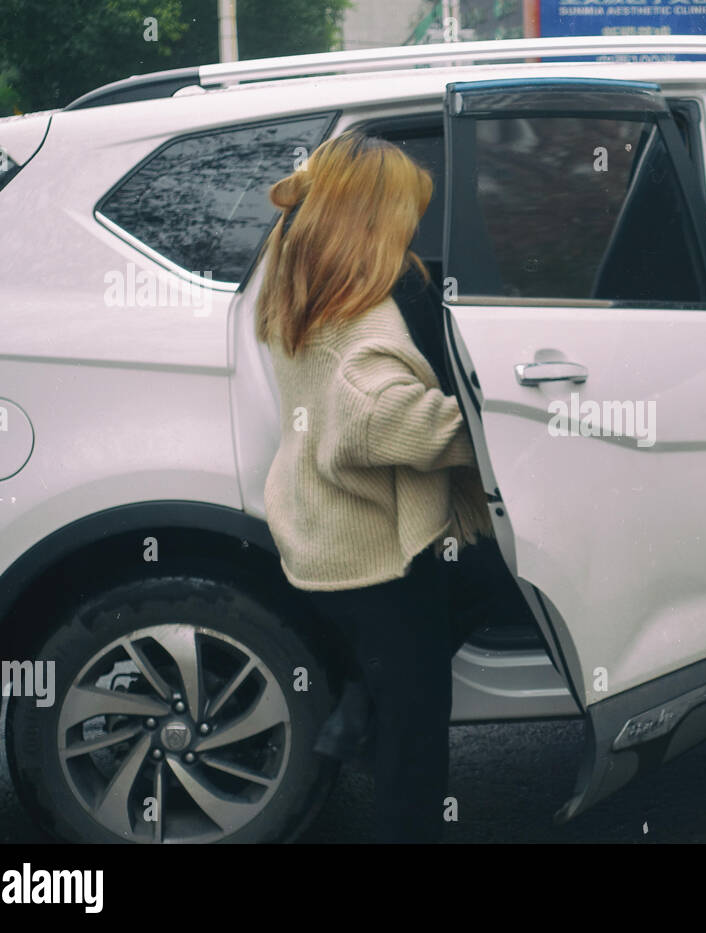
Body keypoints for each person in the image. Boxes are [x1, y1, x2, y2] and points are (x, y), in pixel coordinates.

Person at [254, 130, 494, 843]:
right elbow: (375, 418)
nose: (415, 225)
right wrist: (487, 439)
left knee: (484, 579)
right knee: (413, 740)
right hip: (377, 557)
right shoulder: (368, 315)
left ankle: (359, 701)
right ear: (372, 218)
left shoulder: (296, 268)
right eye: (407, 211)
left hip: (324, 525)